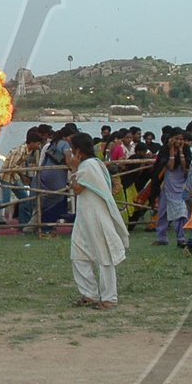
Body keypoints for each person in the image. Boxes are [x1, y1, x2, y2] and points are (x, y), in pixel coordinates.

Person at [64, 132, 128, 309]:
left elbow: (77, 188)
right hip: (84, 216)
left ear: (78, 150)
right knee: (78, 253)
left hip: (96, 215)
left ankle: (109, 297)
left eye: (72, 149)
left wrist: (73, 169)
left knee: (103, 255)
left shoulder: (89, 166)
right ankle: (89, 294)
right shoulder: (92, 164)